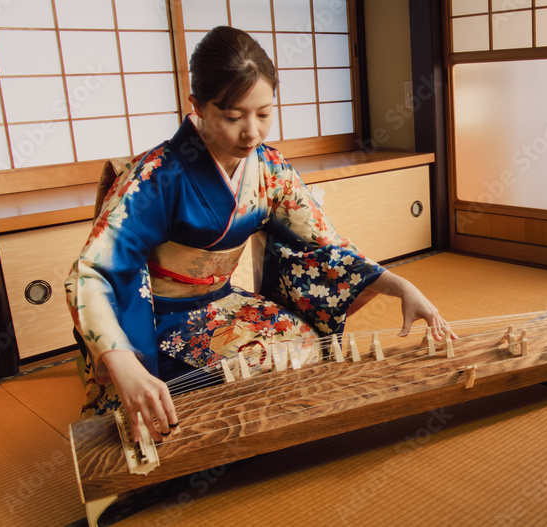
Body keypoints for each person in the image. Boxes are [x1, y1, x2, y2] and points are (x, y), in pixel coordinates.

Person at [65, 26, 452, 443]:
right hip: (157, 316)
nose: (252, 132)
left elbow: (321, 246)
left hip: (223, 302)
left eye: (264, 113)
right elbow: (93, 272)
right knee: (236, 378)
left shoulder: (270, 169)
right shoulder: (157, 177)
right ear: (196, 106)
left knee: (307, 347)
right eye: (233, 116)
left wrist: (399, 285)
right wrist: (122, 362)